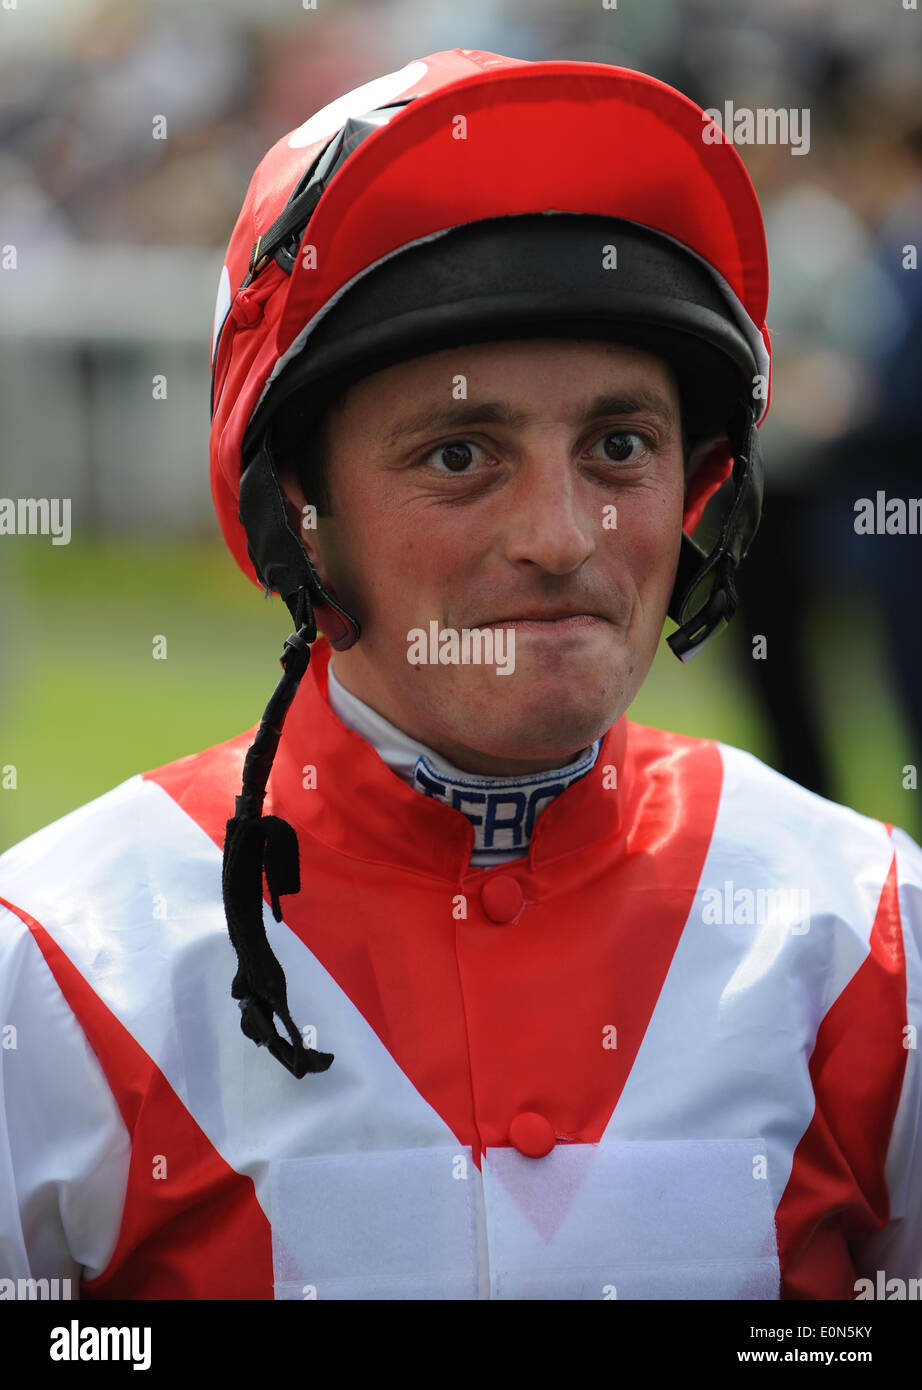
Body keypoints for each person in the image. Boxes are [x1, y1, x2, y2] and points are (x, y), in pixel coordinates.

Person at [1, 48, 920, 1303]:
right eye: (457, 454)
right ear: (300, 513)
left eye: (617, 445)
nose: (560, 534)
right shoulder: (51, 964)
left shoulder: (874, 937)